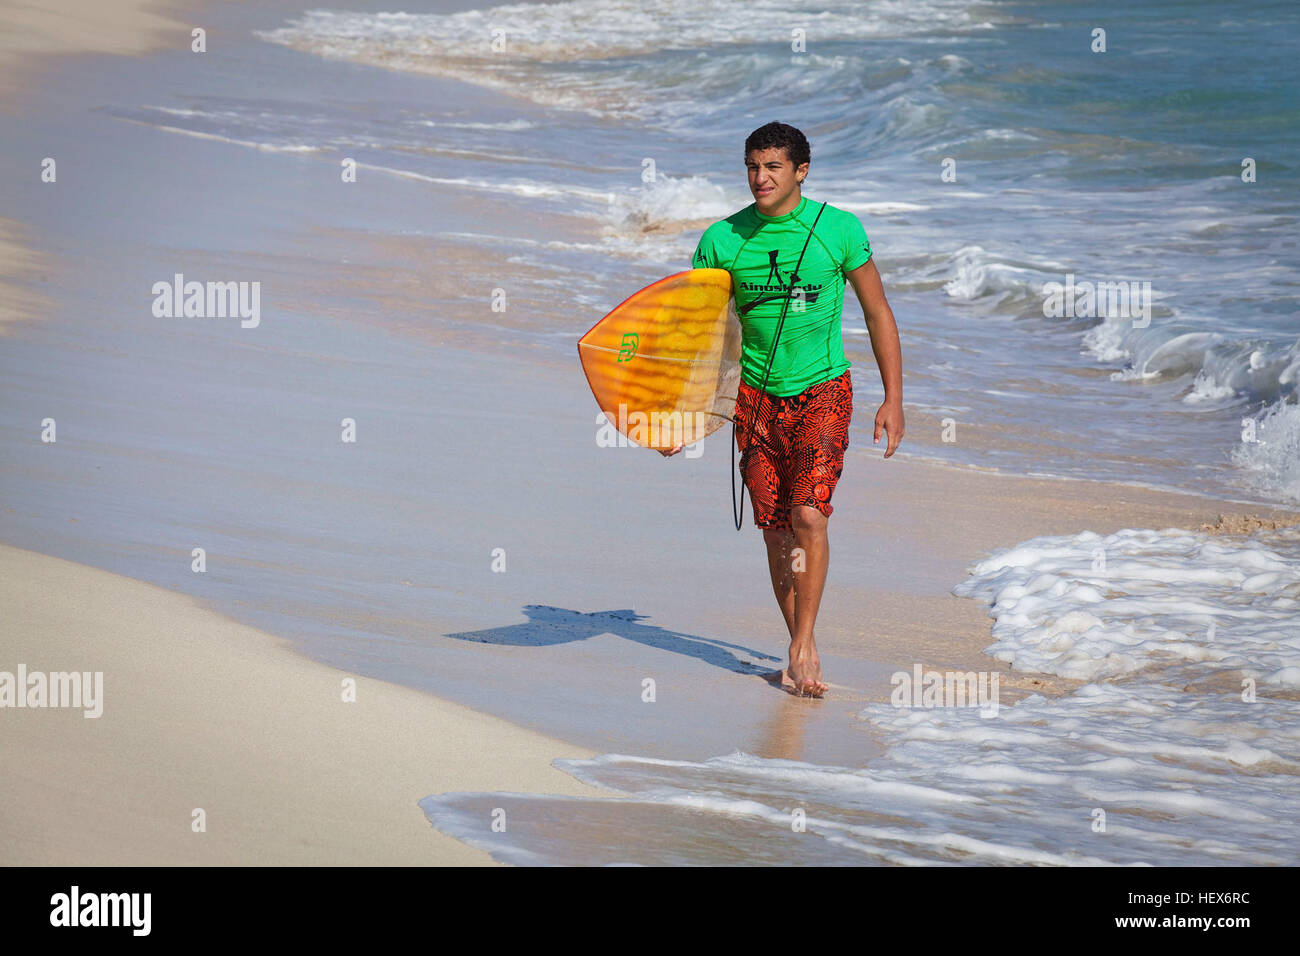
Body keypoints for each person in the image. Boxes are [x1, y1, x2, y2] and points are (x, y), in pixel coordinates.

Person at [665, 121, 904, 698]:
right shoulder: (722, 240)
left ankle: (803, 644)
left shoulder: (837, 230)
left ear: (801, 171)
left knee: (809, 517)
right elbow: (701, 335)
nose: (760, 177)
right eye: (752, 166)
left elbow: (877, 312)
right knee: (775, 533)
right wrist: (684, 413)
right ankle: (799, 634)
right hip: (754, 398)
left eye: (773, 167)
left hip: (823, 389)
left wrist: (894, 398)